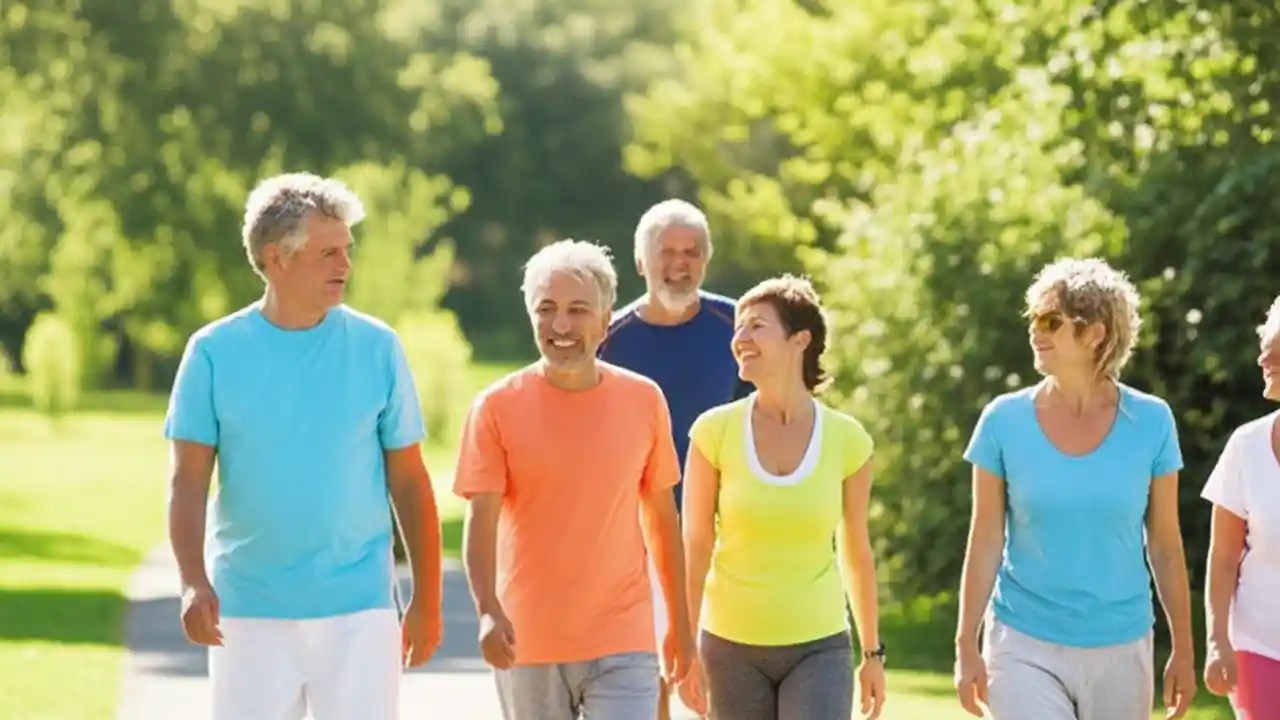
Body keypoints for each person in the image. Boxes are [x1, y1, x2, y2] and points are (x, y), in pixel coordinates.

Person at [163, 172, 443, 719]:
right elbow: (188, 480)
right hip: (246, 613)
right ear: (277, 257)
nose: (345, 266)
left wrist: (427, 600)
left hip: (359, 612)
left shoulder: (377, 348)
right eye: (327, 253)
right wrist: (192, 581)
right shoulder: (213, 353)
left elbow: (409, 482)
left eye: (346, 250)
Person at [453, 238, 696, 720]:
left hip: (624, 635)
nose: (561, 325)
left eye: (578, 310)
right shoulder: (495, 407)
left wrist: (681, 626)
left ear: (607, 320)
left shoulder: (644, 401)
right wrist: (486, 608)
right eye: (547, 309)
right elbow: (480, 520)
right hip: (529, 639)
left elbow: (662, 520)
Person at [953, 257, 1196, 720]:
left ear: (1095, 333)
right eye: (1034, 320)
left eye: (1051, 321)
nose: (1034, 332)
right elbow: (984, 538)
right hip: (1023, 638)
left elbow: (1165, 542)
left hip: (1122, 644)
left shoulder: (1152, 421)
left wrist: (1182, 647)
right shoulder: (1002, 421)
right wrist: (966, 643)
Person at [679, 274, 887, 720]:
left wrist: (872, 654)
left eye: (756, 326)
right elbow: (695, 545)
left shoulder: (848, 440)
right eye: (738, 328)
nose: (740, 338)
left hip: (819, 646)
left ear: (800, 340)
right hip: (728, 645)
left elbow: (856, 551)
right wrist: (685, 641)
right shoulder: (713, 432)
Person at [597, 198, 747, 719]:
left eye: (692, 251)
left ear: (706, 259)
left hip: (728, 532)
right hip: (636, 533)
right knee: (649, 675)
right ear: (640, 261)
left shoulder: (737, 325)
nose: (680, 263)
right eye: (667, 252)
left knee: (719, 678)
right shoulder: (606, 337)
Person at [1201, 294, 1280, 719]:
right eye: (1265, 345)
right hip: (1259, 645)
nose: (1263, 358)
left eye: (1278, 348)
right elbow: (1224, 555)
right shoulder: (1246, 446)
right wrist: (1218, 640)